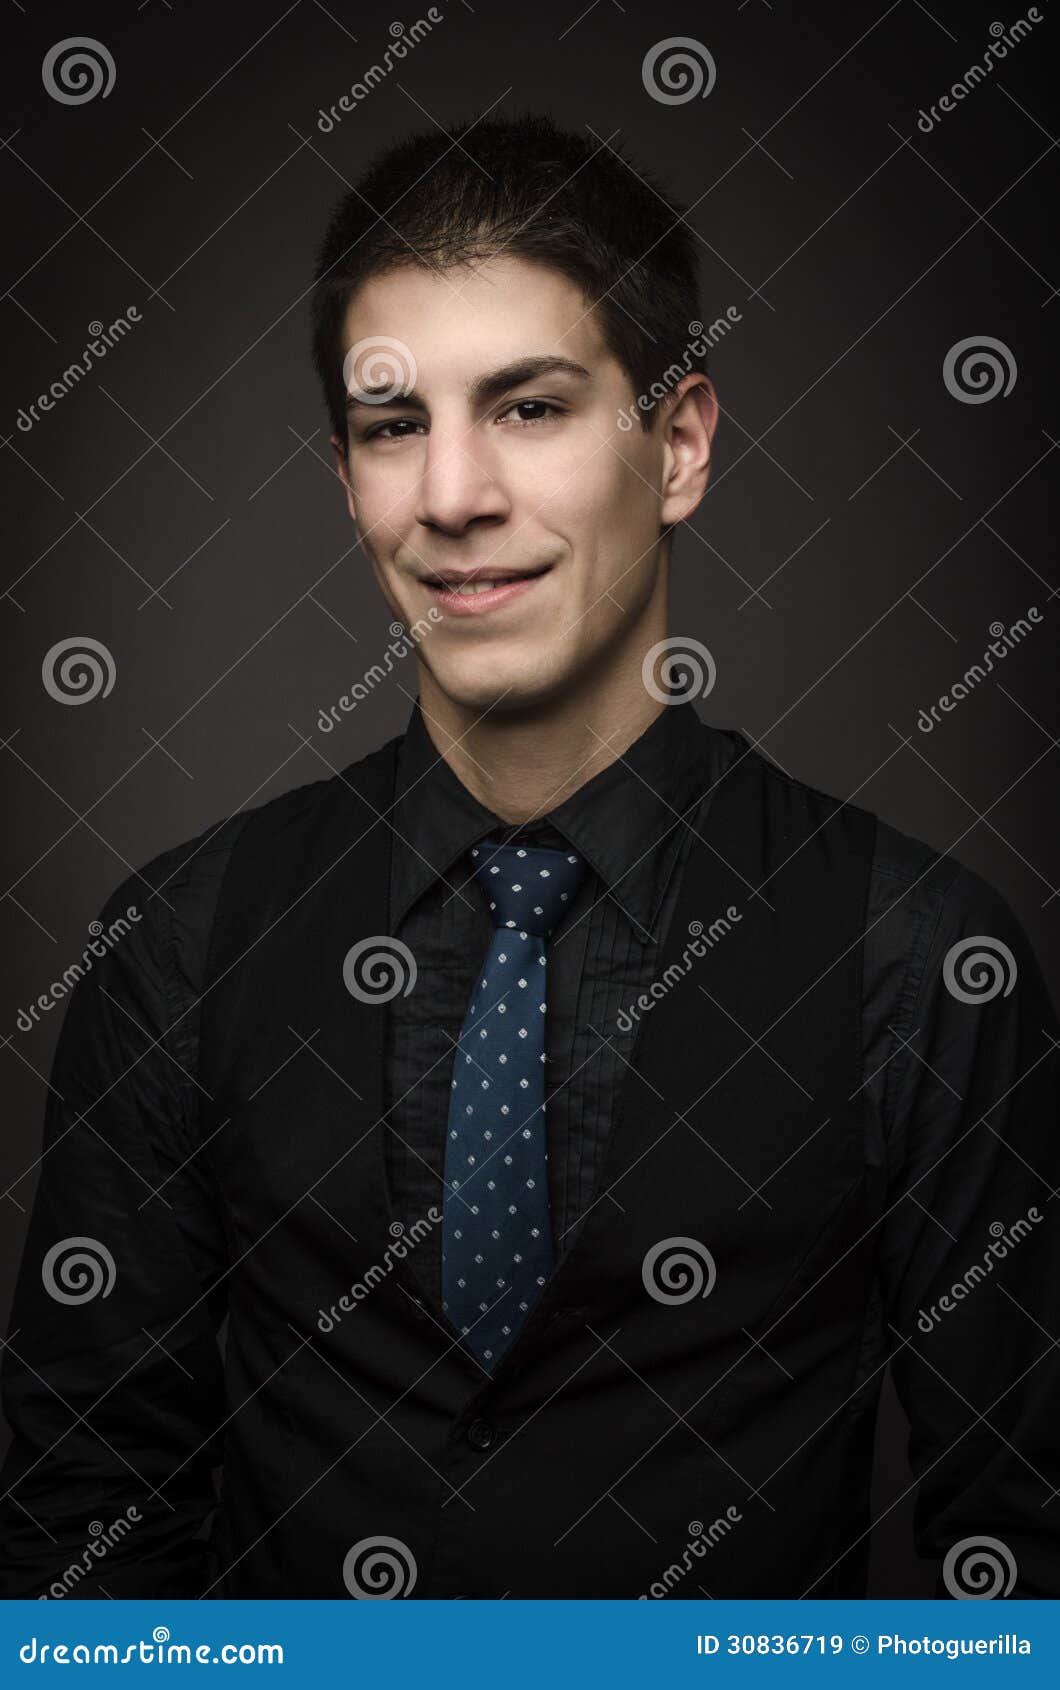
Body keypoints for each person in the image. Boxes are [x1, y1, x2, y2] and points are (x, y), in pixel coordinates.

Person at [1, 111, 1057, 1602]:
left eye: (532, 407)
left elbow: (1022, 1561)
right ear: (347, 475)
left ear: (677, 441)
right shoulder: (184, 934)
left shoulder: (920, 956)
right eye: (392, 425)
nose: (451, 496)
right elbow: (81, 1535)